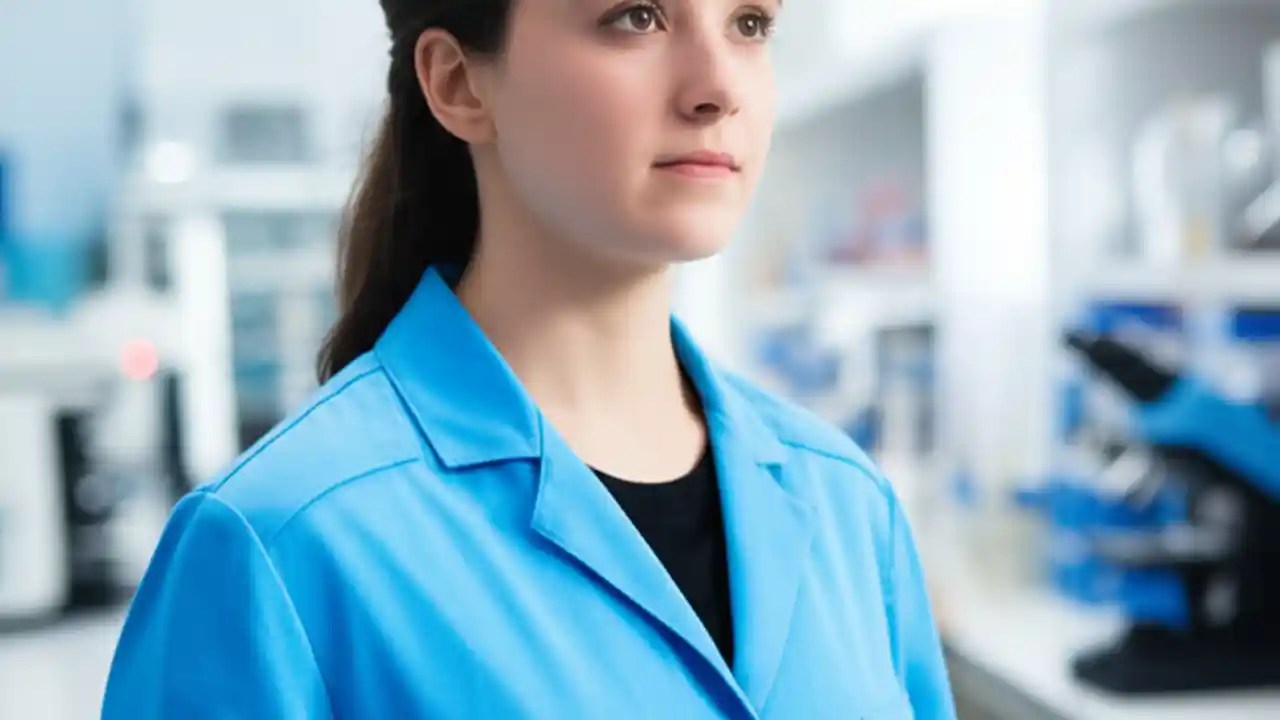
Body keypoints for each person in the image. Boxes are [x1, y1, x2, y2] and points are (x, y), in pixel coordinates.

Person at [103, 1, 956, 717]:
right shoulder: (280, 545)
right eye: (638, 17)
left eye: (749, 22)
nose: (718, 89)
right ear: (459, 83)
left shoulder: (849, 504)